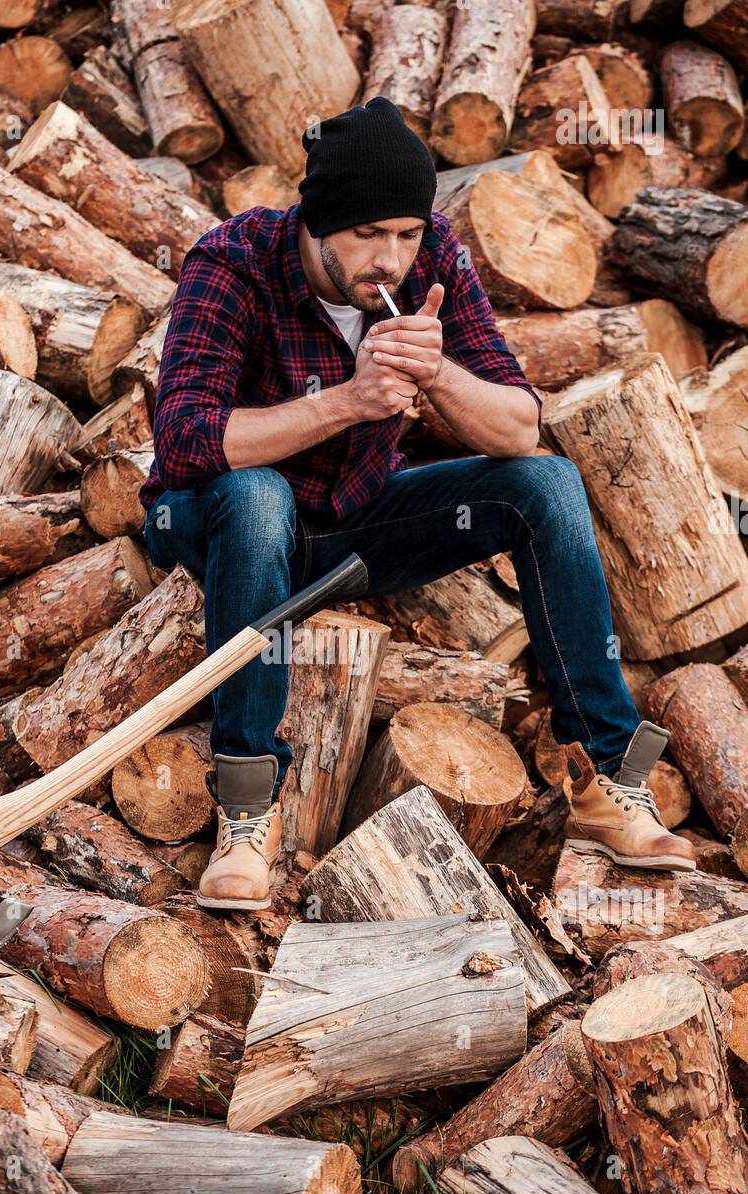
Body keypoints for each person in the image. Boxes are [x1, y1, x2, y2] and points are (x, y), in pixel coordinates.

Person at [141, 96, 695, 911]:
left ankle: (604, 779)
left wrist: (436, 373)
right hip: (214, 521)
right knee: (257, 497)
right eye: (367, 235)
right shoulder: (234, 262)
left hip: (347, 526)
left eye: (404, 234)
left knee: (544, 483)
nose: (389, 260)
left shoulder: (434, 257)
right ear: (317, 221)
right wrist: (347, 400)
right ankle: (246, 812)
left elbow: (516, 426)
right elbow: (183, 439)